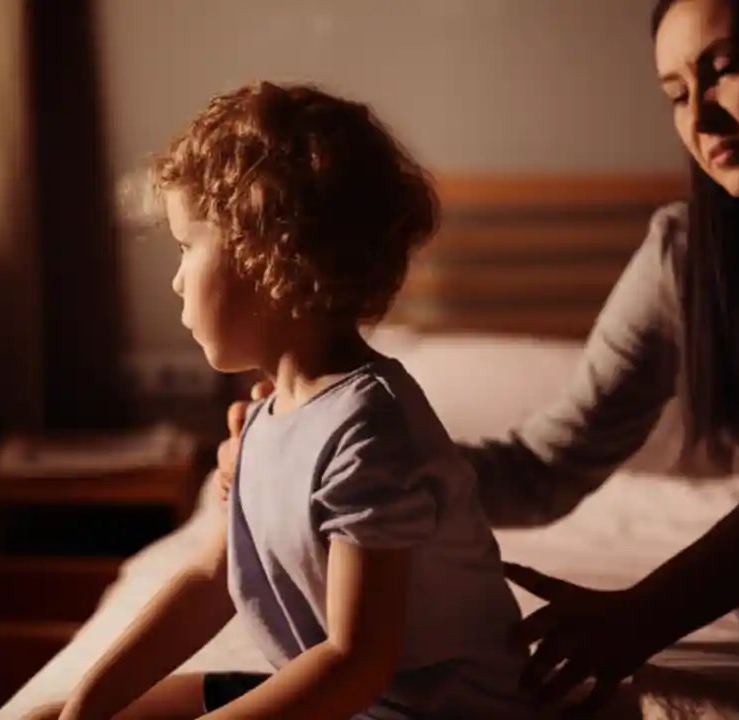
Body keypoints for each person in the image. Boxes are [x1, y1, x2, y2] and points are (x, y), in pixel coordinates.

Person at [214, 0, 739, 715]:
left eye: (725, 68)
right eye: (675, 93)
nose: (698, 118)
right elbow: (548, 464)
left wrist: (646, 613)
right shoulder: (689, 260)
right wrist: (342, 461)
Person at [37, 82, 532, 720]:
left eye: (189, 246)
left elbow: (354, 663)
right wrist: (88, 704)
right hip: (348, 699)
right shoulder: (267, 414)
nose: (176, 278)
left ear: (270, 256)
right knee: (48, 716)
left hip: (421, 711)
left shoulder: (368, 432)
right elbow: (207, 580)